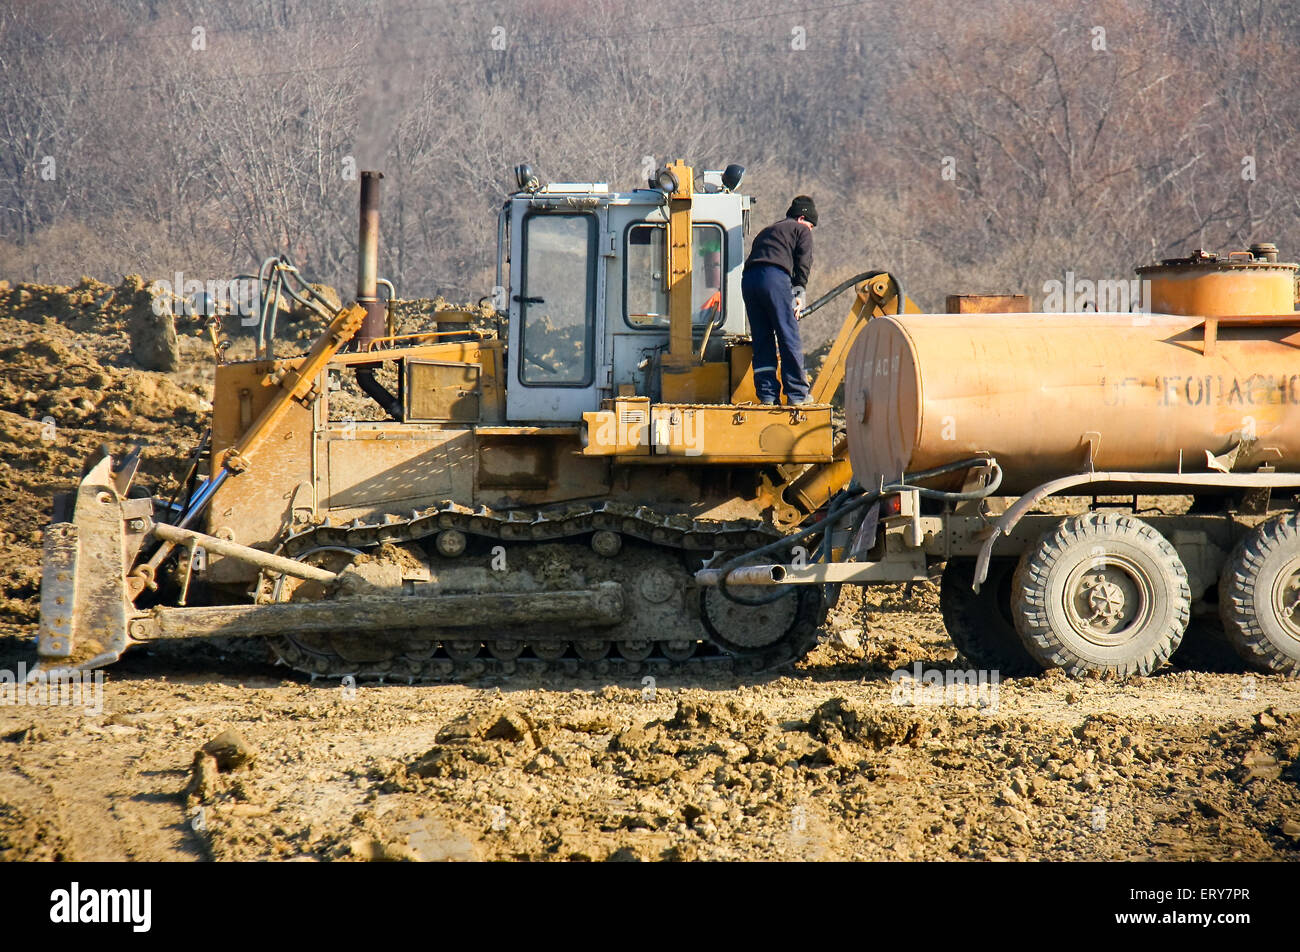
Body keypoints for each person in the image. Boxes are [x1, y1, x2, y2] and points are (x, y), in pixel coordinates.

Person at [741, 195, 817, 405]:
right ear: (802, 218)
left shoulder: (767, 231)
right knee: (787, 333)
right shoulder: (800, 230)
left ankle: (767, 395)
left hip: (749, 281)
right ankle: (797, 394)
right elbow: (804, 261)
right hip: (774, 279)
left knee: (762, 338)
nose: (810, 230)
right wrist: (799, 292)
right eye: (811, 225)